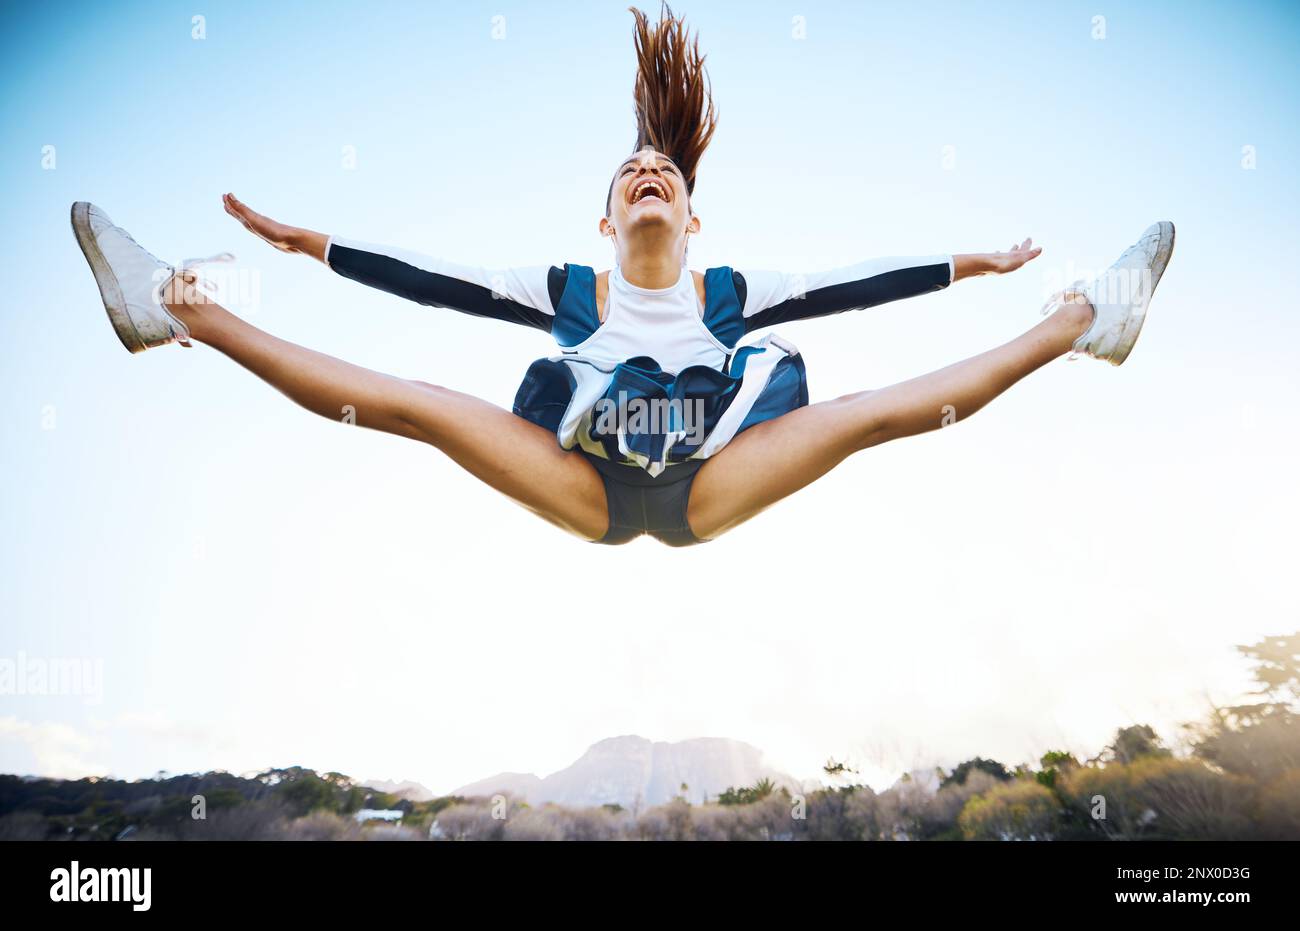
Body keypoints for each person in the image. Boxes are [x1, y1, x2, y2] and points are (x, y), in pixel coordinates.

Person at [69, 5, 1174, 547]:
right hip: (588, 481)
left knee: (867, 410)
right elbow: (422, 280)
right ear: (604, 220)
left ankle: (1080, 323)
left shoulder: (737, 291)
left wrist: (972, 263)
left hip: (707, 477)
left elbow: (859, 282)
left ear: (693, 214)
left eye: (664, 173)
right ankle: (178, 309)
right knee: (410, 404)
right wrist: (309, 245)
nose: (649, 173)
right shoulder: (564, 291)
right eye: (629, 173)